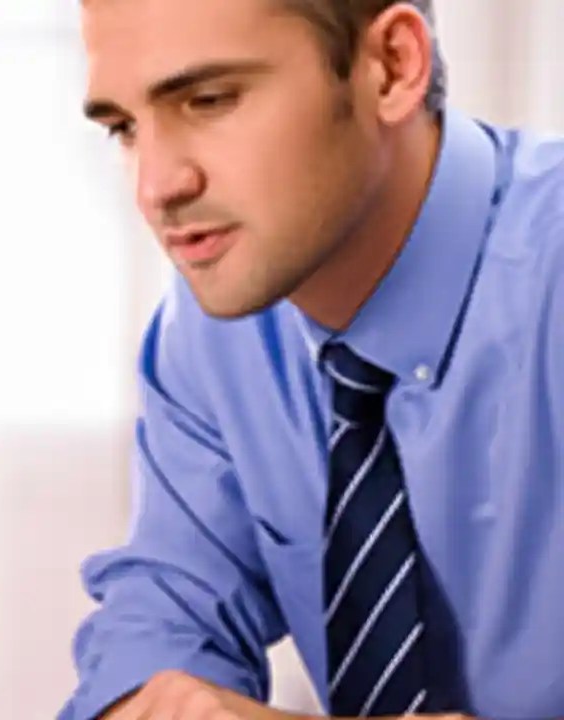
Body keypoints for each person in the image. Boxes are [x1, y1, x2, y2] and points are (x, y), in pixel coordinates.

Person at [61, 0, 564, 718]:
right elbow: (158, 621)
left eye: (209, 101)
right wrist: (148, 701)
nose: (155, 188)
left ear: (392, 66)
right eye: (123, 128)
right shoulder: (212, 332)